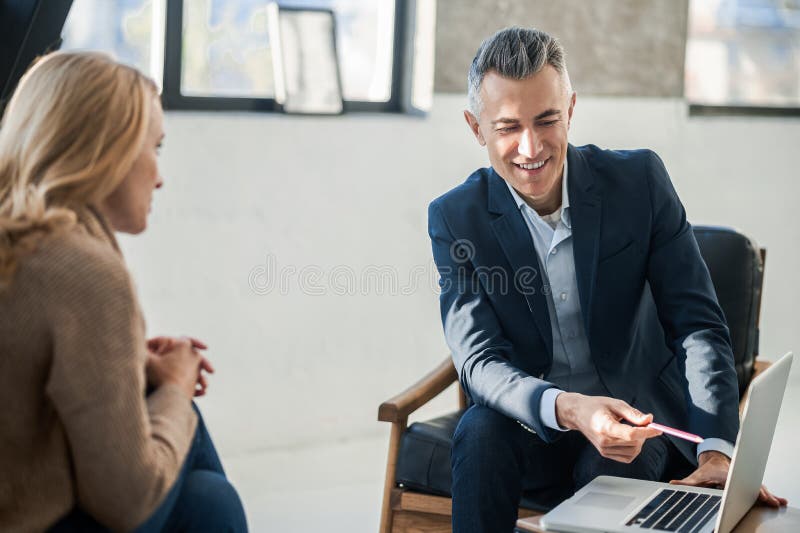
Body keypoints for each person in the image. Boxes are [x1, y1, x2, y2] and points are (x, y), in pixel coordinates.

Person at [427, 27, 787, 532]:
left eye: (547, 120)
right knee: (480, 433)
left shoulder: (639, 182)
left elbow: (698, 324)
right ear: (475, 127)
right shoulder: (455, 218)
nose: (530, 148)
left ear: (570, 109)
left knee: (619, 458)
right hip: (533, 420)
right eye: (507, 127)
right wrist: (571, 409)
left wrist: (717, 451)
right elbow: (478, 359)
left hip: (635, 418)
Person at [0, 52, 247, 532]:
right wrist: (174, 384)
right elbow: (128, 501)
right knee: (209, 497)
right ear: (103, 150)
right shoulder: (81, 268)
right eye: (155, 147)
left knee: (204, 496)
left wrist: (130, 361)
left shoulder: (19, 238)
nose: (160, 176)